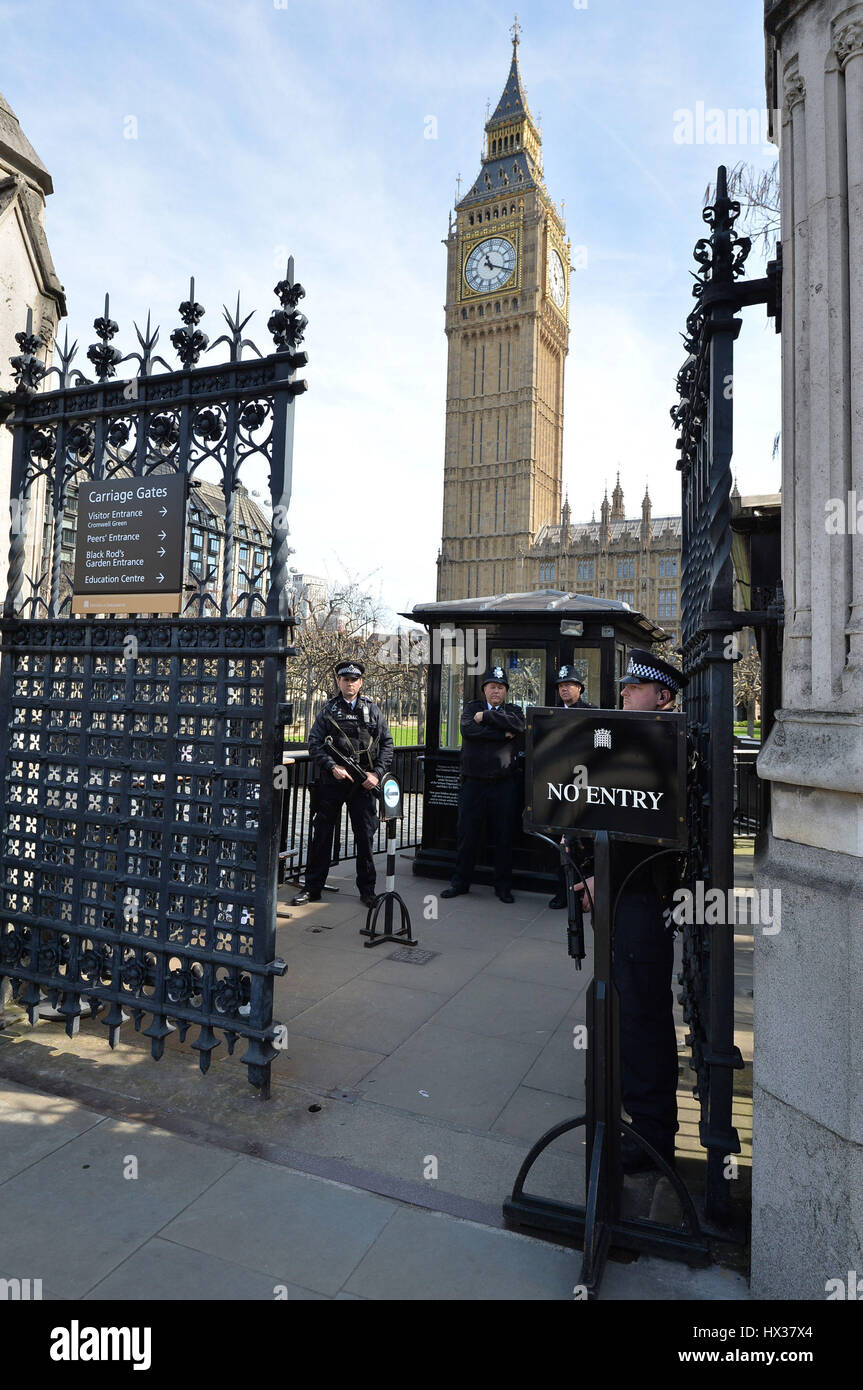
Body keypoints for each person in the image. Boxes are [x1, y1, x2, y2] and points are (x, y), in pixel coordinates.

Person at [578, 647, 687, 1174]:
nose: (622, 694)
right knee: (628, 1013)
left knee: (642, 1018)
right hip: (628, 898)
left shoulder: (664, 748)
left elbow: (646, 838)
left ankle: (651, 1139)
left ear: (662, 696)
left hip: (642, 902)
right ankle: (640, 1122)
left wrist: (606, 875)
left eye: (633, 689)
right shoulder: (646, 743)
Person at [292, 659, 393, 907]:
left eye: (354, 679)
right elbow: (314, 744)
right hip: (333, 782)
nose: (350, 683)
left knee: (365, 839)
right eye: (345, 679)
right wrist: (332, 766)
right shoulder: (328, 710)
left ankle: (367, 891)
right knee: (322, 836)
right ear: (338, 681)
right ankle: (312, 888)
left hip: (363, 783)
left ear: (361, 682)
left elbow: (387, 745)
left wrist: (376, 775)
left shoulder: (372, 710)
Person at [441, 666, 525, 904]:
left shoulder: (514, 710)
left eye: (500, 687)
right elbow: (468, 731)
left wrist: (487, 718)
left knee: (504, 836)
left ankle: (503, 887)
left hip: (503, 784)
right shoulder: (471, 708)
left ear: (506, 691)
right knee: (467, 835)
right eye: (492, 686)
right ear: (484, 690)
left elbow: (519, 727)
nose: (496, 691)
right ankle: (460, 882)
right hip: (473, 784)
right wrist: (502, 732)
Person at [548, 664, 594, 909]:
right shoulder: (551, 713)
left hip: (583, 786)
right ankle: (563, 892)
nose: (565, 689)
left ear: (579, 688)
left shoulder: (591, 712)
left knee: (583, 843)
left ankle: (585, 892)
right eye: (561, 685)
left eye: (569, 685)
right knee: (560, 842)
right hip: (558, 786)